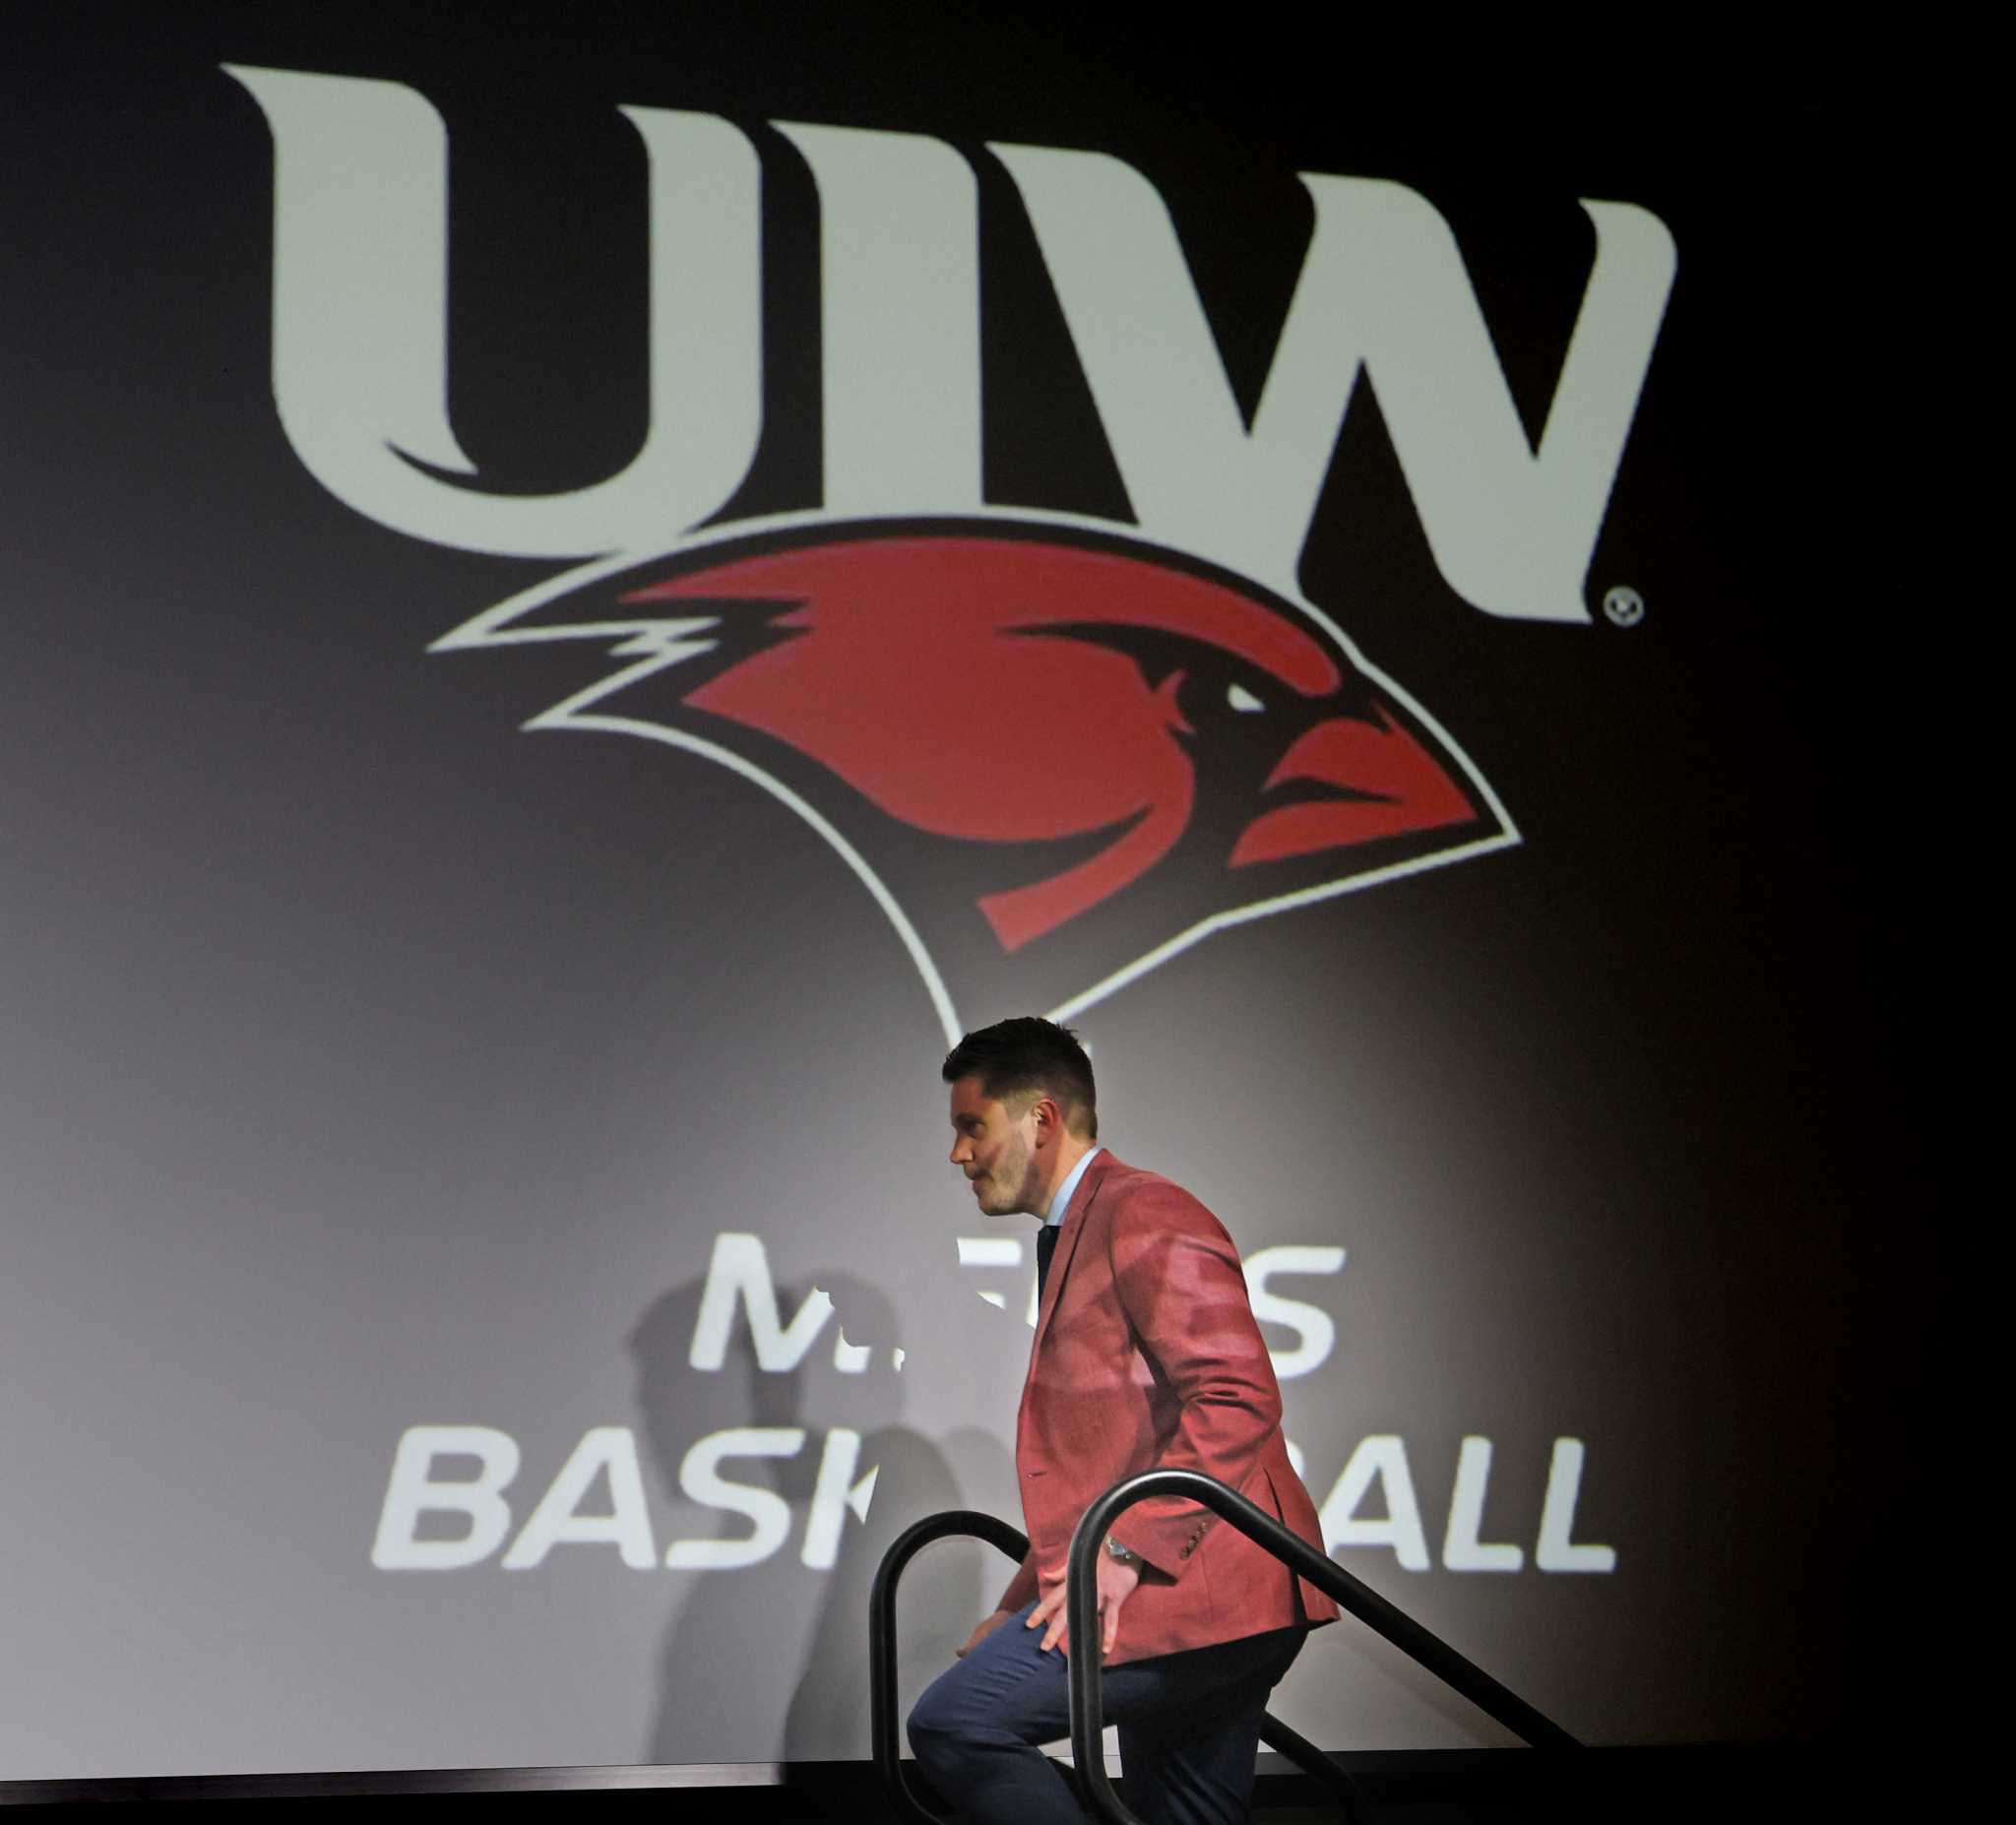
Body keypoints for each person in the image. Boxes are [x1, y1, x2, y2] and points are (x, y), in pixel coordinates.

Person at [908, 1017, 1337, 1825]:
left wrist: (1130, 1548)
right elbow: (1114, 1459)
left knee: (957, 1722)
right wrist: (1023, 1596)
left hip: (1196, 1585)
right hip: (1214, 1601)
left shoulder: (1145, 1211)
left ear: (1041, 1120)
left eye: (973, 1126)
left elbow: (1236, 1395)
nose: (958, 1154)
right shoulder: (1083, 1226)